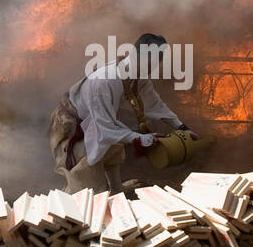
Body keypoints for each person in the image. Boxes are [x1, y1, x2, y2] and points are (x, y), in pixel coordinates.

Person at [48, 32, 194, 194]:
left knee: (116, 142)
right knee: (91, 195)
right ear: (135, 55)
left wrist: (181, 127)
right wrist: (141, 138)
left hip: (96, 123)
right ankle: (72, 194)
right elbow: (105, 129)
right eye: (148, 63)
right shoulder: (105, 81)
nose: (151, 69)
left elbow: (155, 105)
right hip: (70, 128)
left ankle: (117, 188)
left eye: (155, 64)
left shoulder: (137, 76)